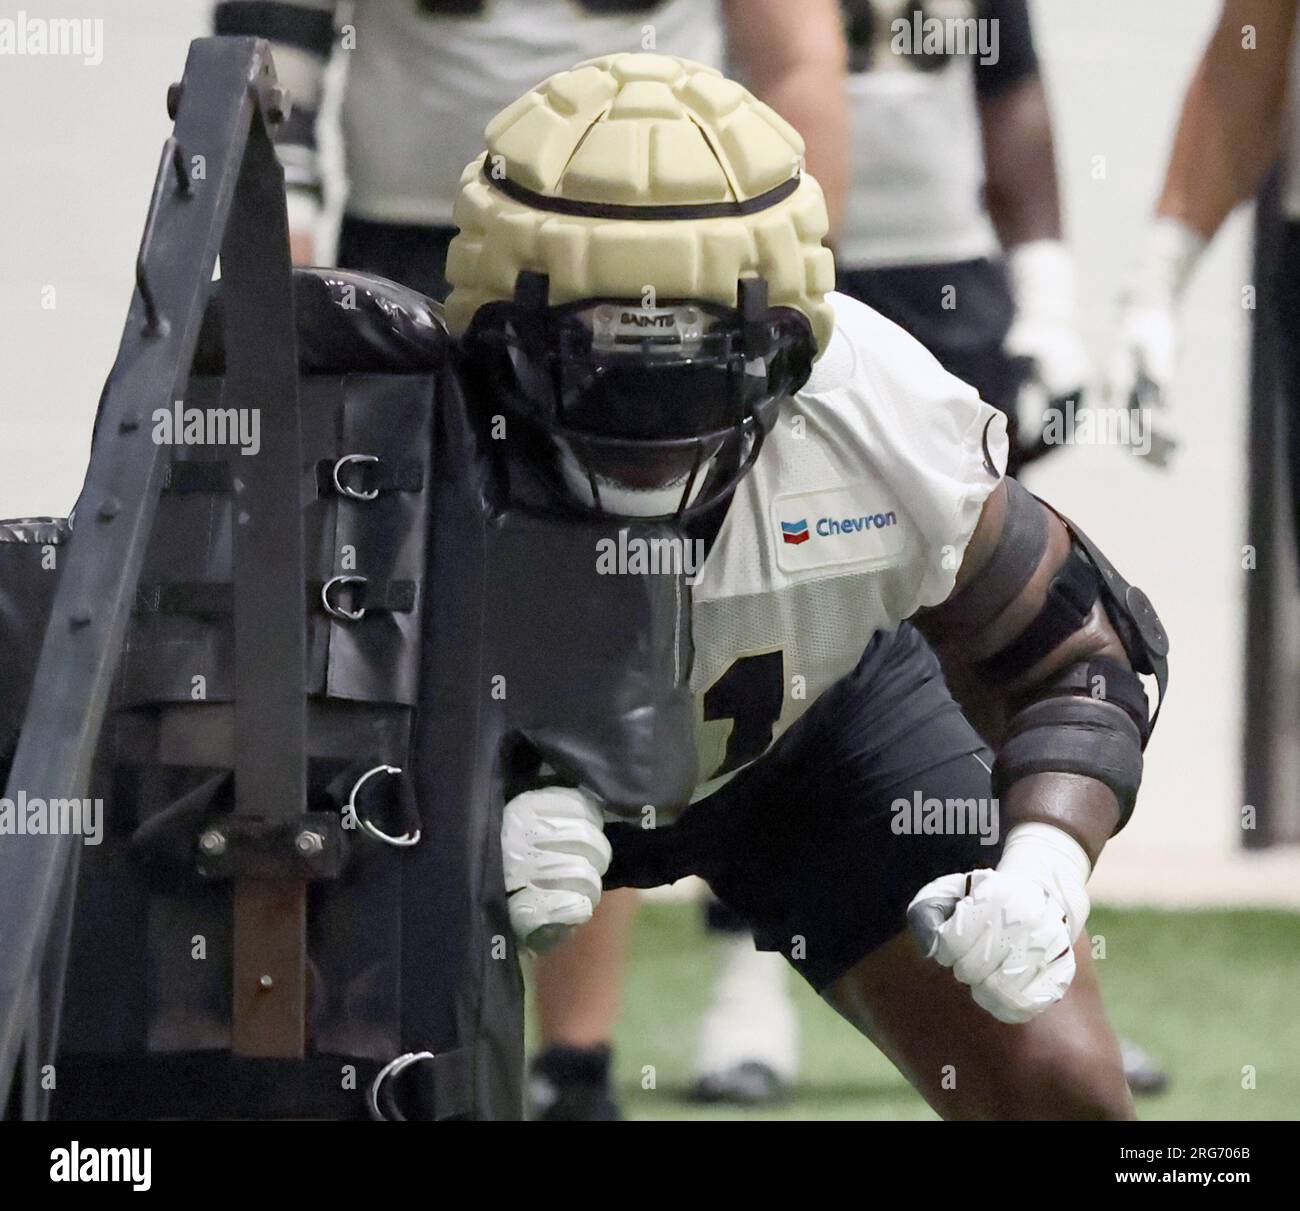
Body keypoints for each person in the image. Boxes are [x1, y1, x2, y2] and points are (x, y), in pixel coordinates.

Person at [454, 52, 1169, 1120]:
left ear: (791, 345)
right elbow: (240, 743)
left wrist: (1043, 866)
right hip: (456, 766)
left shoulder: (876, 410)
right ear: (503, 341)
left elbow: (1084, 656)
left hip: (812, 741)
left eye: (696, 373)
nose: (652, 439)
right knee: (322, 1074)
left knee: (1061, 1092)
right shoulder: (401, 434)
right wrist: (462, 798)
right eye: (602, 370)